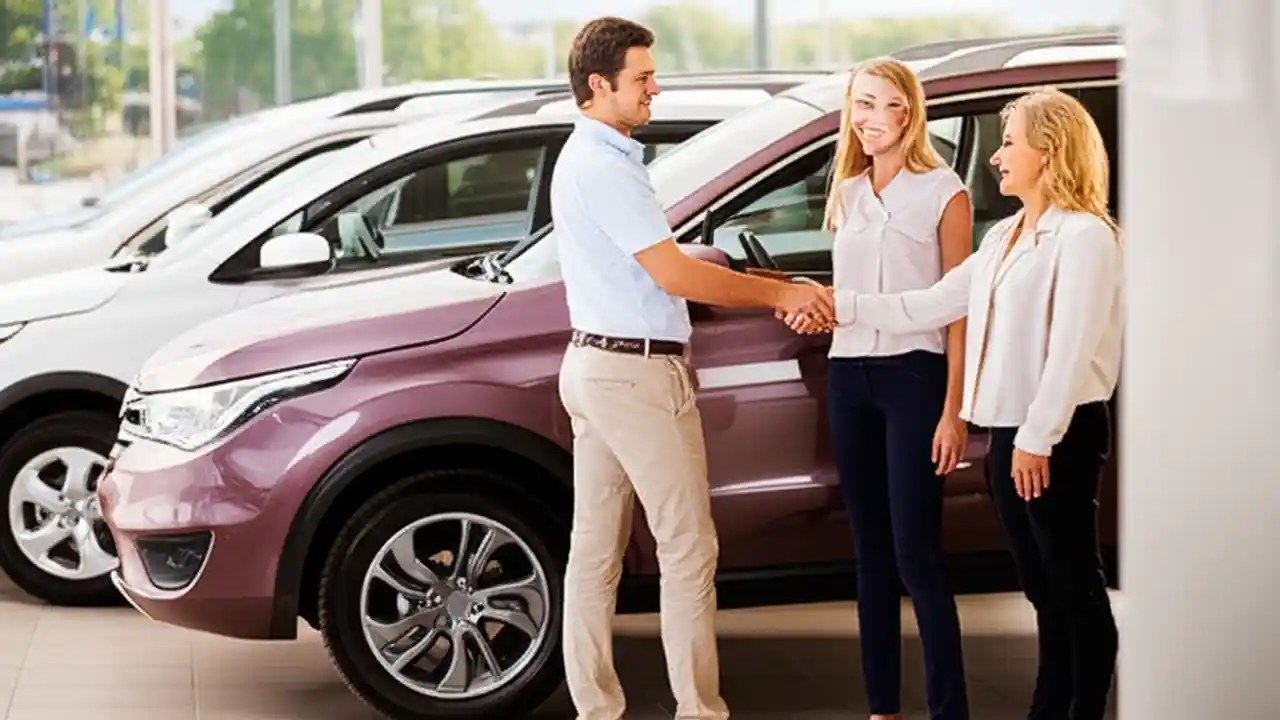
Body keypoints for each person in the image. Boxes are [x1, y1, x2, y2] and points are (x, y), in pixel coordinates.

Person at [787, 87, 1122, 720]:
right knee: (1042, 591)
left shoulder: (1085, 238)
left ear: (1048, 153)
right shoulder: (1006, 237)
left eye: (1008, 143)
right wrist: (841, 305)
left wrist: (1037, 438)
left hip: (1056, 434)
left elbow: (1072, 350)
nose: (997, 158)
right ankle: (1048, 709)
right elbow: (931, 304)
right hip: (1009, 433)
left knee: (1074, 584)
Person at [552, 16, 836, 720]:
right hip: (637, 378)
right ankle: (700, 712)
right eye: (642, 79)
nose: (656, 89)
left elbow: (656, 267)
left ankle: (598, 710)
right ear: (599, 85)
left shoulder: (589, 155)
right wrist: (782, 293)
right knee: (688, 551)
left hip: (593, 366)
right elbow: (675, 273)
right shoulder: (604, 164)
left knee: (594, 555)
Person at [783, 57, 975, 720]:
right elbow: (847, 296)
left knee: (915, 553)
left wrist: (954, 411)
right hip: (848, 377)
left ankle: (950, 710)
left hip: (913, 379)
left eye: (884, 105)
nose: (869, 119)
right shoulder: (849, 190)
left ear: (909, 113)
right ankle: (882, 710)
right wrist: (809, 305)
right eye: (860, 104)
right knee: (868, 557)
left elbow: (958, 308)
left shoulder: (944, 191)